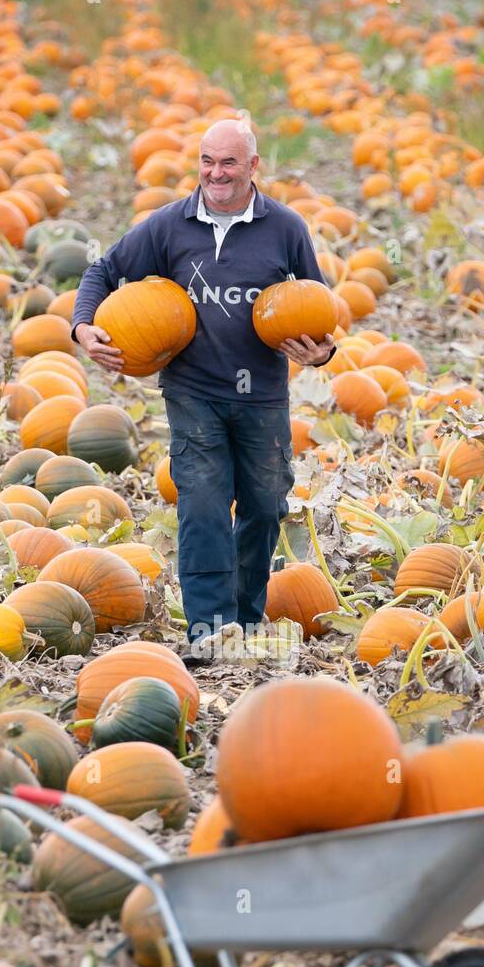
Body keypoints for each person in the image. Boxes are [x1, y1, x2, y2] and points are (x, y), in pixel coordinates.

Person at [71, 117, 336, 663]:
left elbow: (317, 303)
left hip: (262, 394)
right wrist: (82, 327)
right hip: (193, 391)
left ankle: (243, 615)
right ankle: (209, 630)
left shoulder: (284, 228)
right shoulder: (169, 226)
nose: (216, 173)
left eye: (229, 162)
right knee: (204, 504)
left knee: (264, 506)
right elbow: (103, 271)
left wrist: (323, 352)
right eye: (207, 161)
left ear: (253, 166)